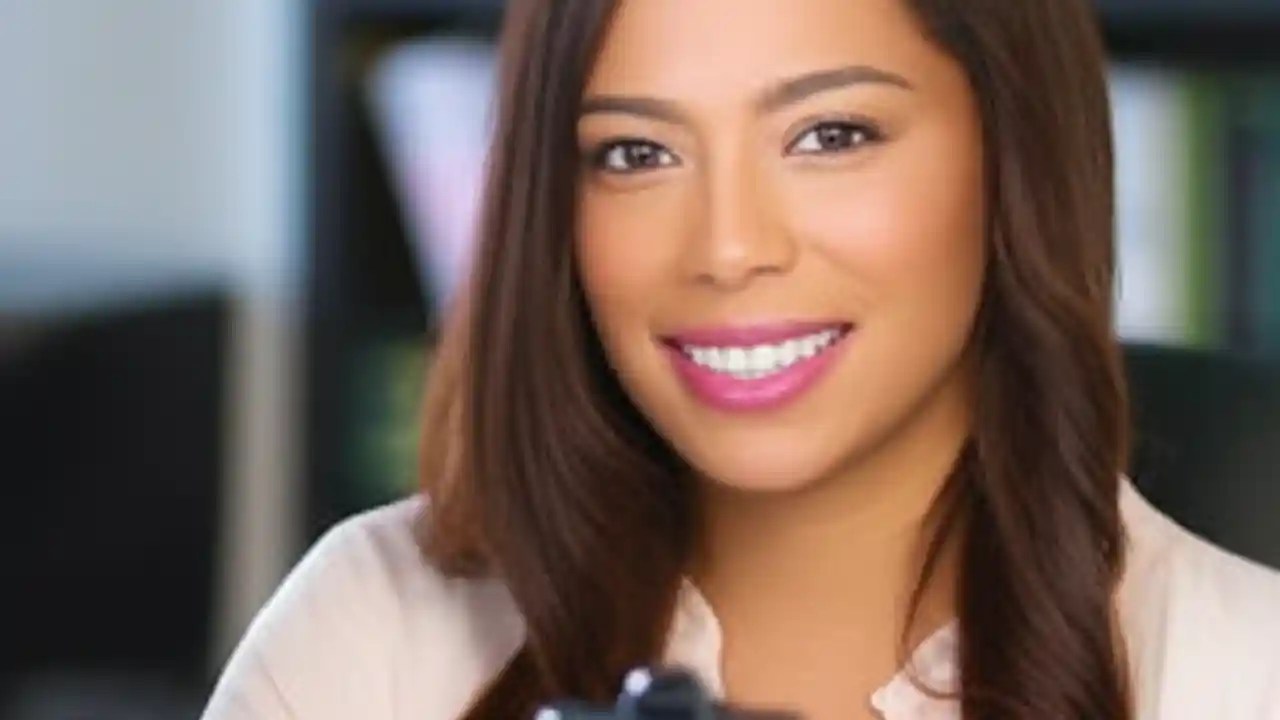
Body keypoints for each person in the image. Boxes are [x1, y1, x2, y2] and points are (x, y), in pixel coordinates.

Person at [203, 0, 1280, 718]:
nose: (726, 249)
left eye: (830, 136)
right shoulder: (373, 631)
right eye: (635, 153)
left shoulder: (1243, 674)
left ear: (1013, 154)